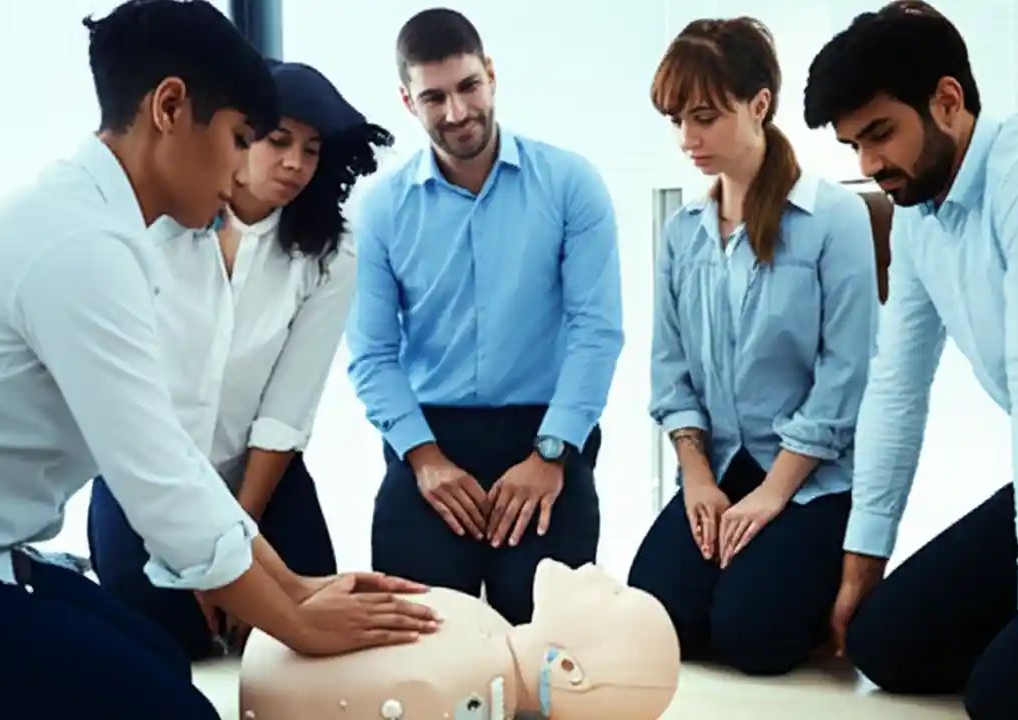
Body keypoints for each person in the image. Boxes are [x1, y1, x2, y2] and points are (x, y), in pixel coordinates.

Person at [0, 2, 436, 717]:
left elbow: (174, 453)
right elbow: (159, 481)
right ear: (169, 108)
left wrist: (294, 588)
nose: (243, 169)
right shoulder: (80, 244)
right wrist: (300, 622)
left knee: (158, 659)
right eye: (241, 139)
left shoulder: (99, 224)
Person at [803, 3, 1018, 719]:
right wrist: (864, 556)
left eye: (880, 134)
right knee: (885, 644)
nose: (868, 166)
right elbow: (897, 385)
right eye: (853, 146)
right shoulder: (920, 215)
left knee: (1007, 699)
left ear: (947, 100)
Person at [87, 58, 396, 661]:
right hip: (141, 475)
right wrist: (205, 554)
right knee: (163, 639)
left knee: (306, 638)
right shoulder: (154, 232)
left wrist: (233, 545)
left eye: (311, 150)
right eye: (278, 141)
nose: (294, 163)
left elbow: (286, 411)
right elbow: (130, 412)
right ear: (239, 135)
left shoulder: (331, 254)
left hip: (258, 479)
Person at [346, 7, 624, 626]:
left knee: (543, 631)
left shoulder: (571, 184)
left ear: (491, 75)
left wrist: (550, 455)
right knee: (423, 631)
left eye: (468, 86)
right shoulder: (380, 210)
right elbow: (371, 354)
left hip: (545, 433)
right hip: (430, 438)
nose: (456, 112)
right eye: (433, 97)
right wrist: (425, 460)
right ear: (407, 100)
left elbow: (596, 331)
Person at [625, 18, 877, 677]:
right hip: (721, 466)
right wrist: (697, 479)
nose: (688, 138)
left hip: (811, 477)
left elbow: (845, 378)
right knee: (655, 621)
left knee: (753, 640)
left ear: (759, 104)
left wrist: (771, 495)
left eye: (705, 117)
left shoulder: (834, 220)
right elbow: (670, 373)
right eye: (677, 120)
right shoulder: (683, 233)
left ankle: (800, 578)